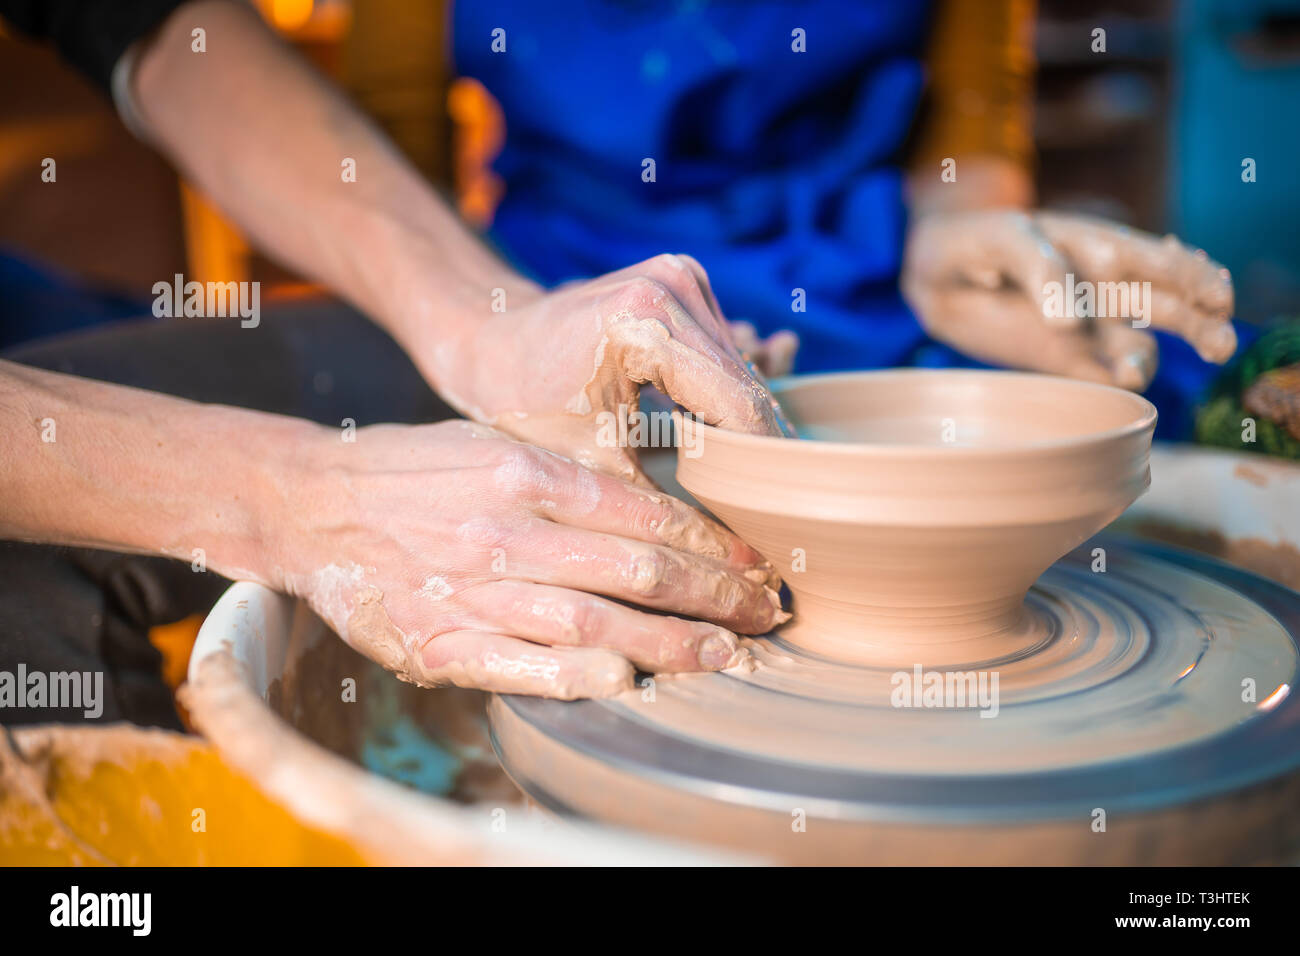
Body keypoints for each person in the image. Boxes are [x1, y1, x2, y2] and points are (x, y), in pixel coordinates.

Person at [0, 0, 1235, 725]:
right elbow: (302, 100)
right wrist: (342, 452)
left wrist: (958, 221)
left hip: (844, 260)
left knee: (1221, 381)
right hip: (538, 273)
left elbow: (970, 84)